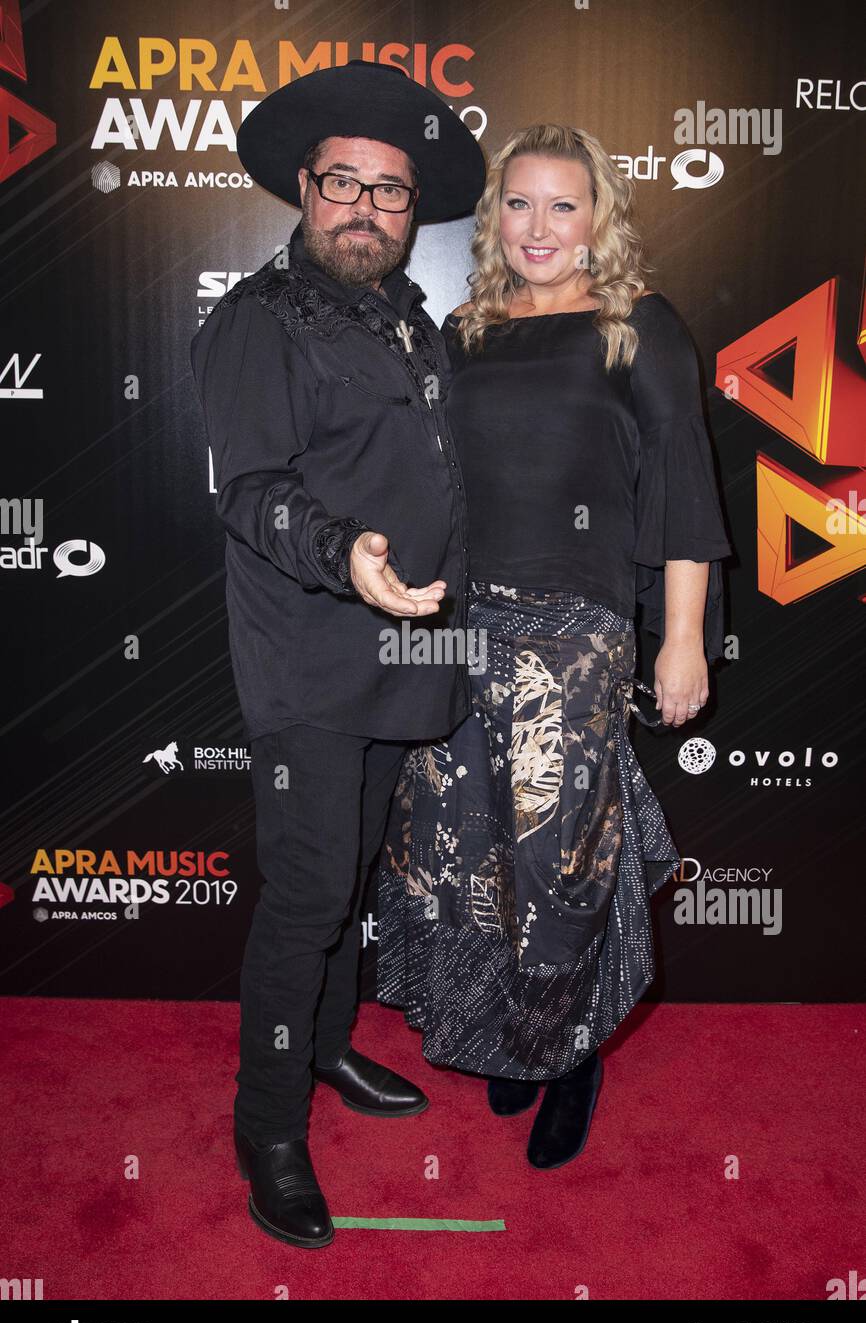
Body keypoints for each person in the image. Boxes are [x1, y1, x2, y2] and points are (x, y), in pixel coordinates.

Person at [376, 123, 734, 1171]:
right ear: (495, 221)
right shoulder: (463, 326)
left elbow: (679, 489)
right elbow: (425, 481)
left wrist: (679, 641)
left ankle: (567, 1052)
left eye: (562, 205)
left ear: (596, 220)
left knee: (559, 864)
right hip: (459, 629)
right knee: (471, 856)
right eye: (518, 205)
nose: (539, 227)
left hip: (574, 633)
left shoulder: (637, 327)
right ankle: (508, 1032)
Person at [189, 60, 485, 1248]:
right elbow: (250, 490)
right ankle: (267, 1121)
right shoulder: (257, 321)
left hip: (396, 659)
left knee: (349, 875)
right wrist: (340, 549)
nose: (364, 208)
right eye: (341, 185)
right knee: (308, 894)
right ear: (302, 192)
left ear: (411, 213)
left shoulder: (407, 318)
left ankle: (322, 1052)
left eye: (389, 192)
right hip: (308, 658)